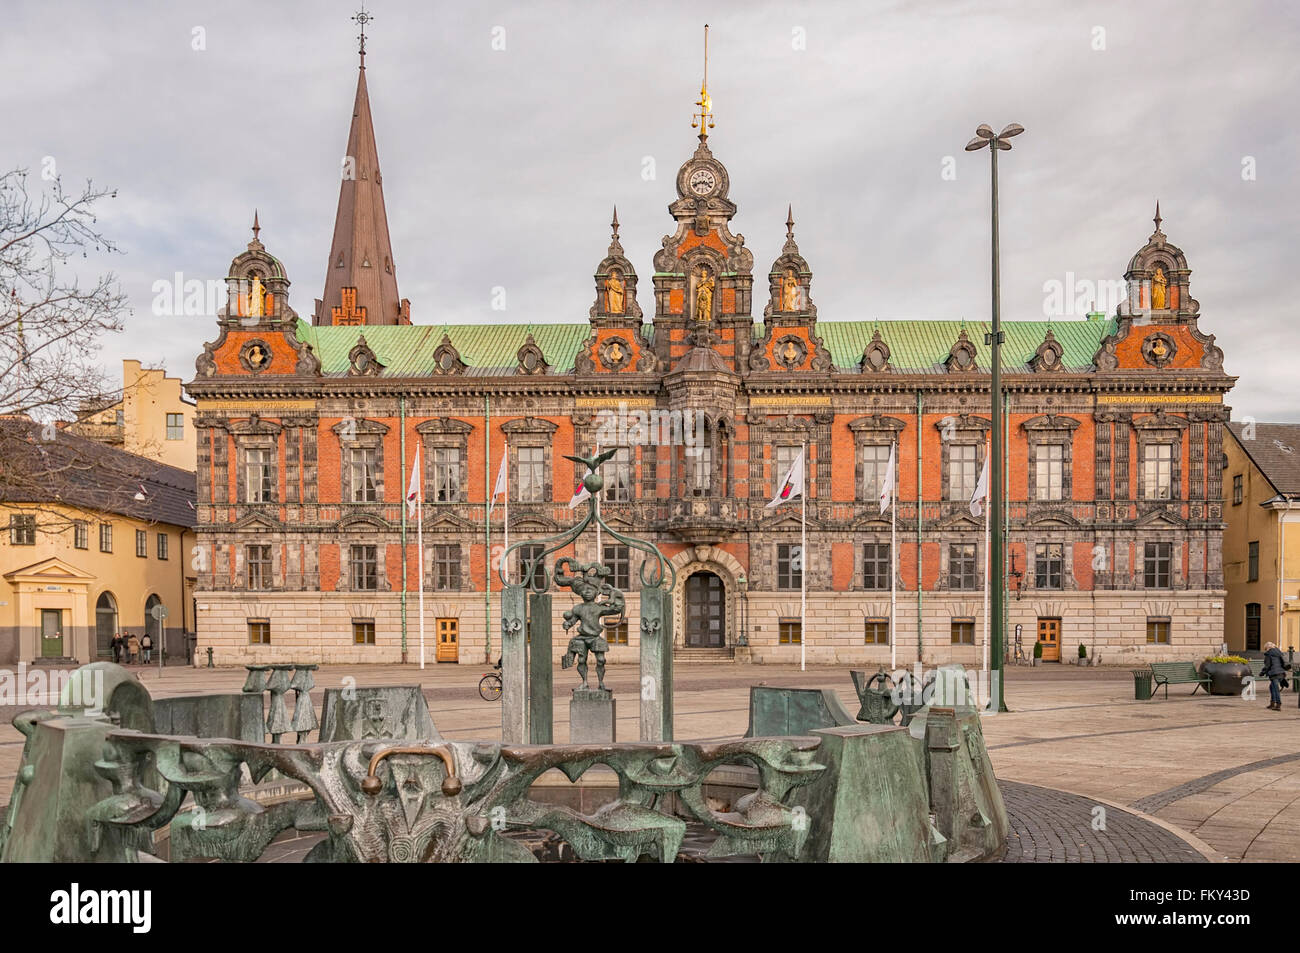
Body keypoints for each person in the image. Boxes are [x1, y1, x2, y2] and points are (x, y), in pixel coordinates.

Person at [1262, 641, 1290, 711]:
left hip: (1274, 674)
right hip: (1281, 673)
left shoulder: (1268, 654)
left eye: (1265, 648)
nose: (1265, 650)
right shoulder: (1279, 652)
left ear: (1267, 648)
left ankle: (1278, 705)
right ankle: (1272, 703)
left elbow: (1267, 666)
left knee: (1275, 689)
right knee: (1271, 687)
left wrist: (1262, 672)